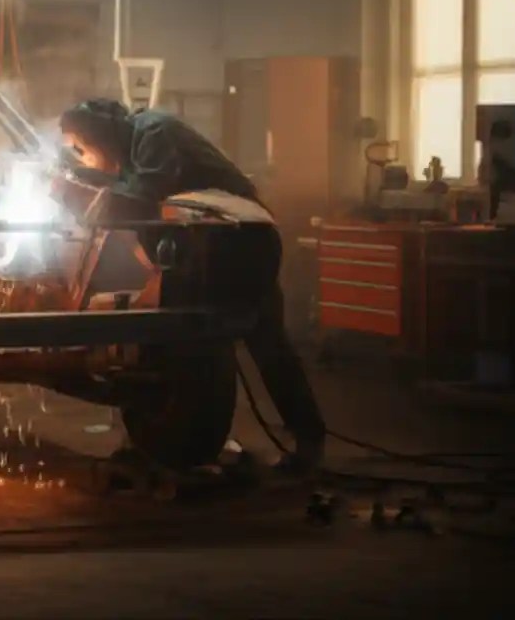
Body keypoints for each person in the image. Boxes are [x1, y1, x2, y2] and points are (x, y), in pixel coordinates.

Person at [56, 98, 327, 474]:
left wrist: (77, 193)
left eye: (81, 149)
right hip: (223, 242)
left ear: (101, 134)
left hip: (238, 243)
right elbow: (127, 188)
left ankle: (303, 440)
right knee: (249, 342)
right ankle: (167, 435)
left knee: (244, 343)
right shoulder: (134, 150)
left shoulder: (155, 132)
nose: (82, 157)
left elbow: (139, 199)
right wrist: (84, 181)